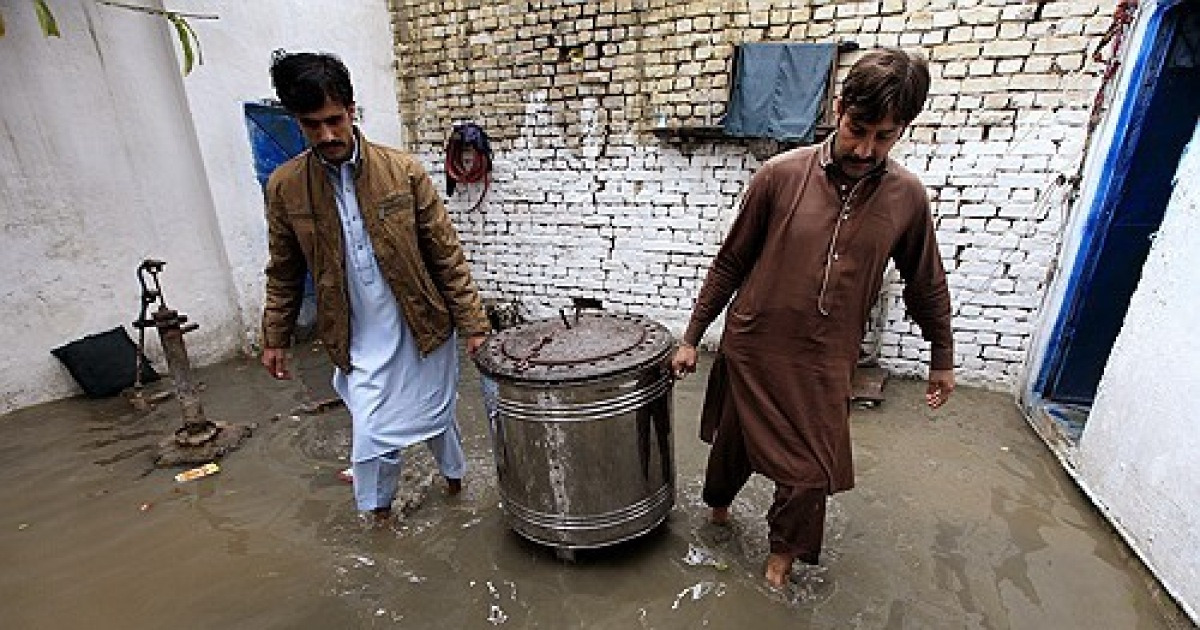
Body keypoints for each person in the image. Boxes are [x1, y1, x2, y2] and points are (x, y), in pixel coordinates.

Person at [670, 48, 955, 588]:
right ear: (839, 107)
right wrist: (691, 336)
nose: (867, 148)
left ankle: (779, 565)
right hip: (753, 346)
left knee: (809, 472)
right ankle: (718, 512)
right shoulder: (780, 176)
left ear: (903, 131)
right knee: (734, 442)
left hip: (826, 360)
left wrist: (942, 358)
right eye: (858, 129)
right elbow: (731, 260)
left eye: (885, 136)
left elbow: (926, 282)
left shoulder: (907, 198)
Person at [259, 51, 491, 523]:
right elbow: (283, 270)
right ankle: (379, 521)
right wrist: (274, 336)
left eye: (334, 120)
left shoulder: (402, 171)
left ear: (351, 109)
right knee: (373, 432)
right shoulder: (285, 187)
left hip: (421, 322)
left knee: (435, 414)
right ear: (296, 122)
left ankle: (455, 483)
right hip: (355, 333)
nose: (326, 135)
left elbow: (445, 254)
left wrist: (474, 325)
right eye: (311, 126)